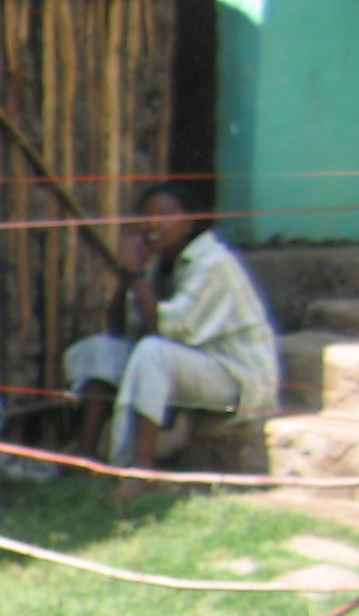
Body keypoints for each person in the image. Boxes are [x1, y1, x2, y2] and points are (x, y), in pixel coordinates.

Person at [63, 181, 278, 492]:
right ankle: (84, 458)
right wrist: (128, 276)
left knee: (154, 352)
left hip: (236, 376)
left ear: (189, 221)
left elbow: (167, 329)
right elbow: (119, 329)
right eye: (146, 216)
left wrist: (138, 275)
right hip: (194, 363)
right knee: (100, 351)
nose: (152, 224)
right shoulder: (162, 263)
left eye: (165, 214)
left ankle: (142, 470)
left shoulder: (213, 263)